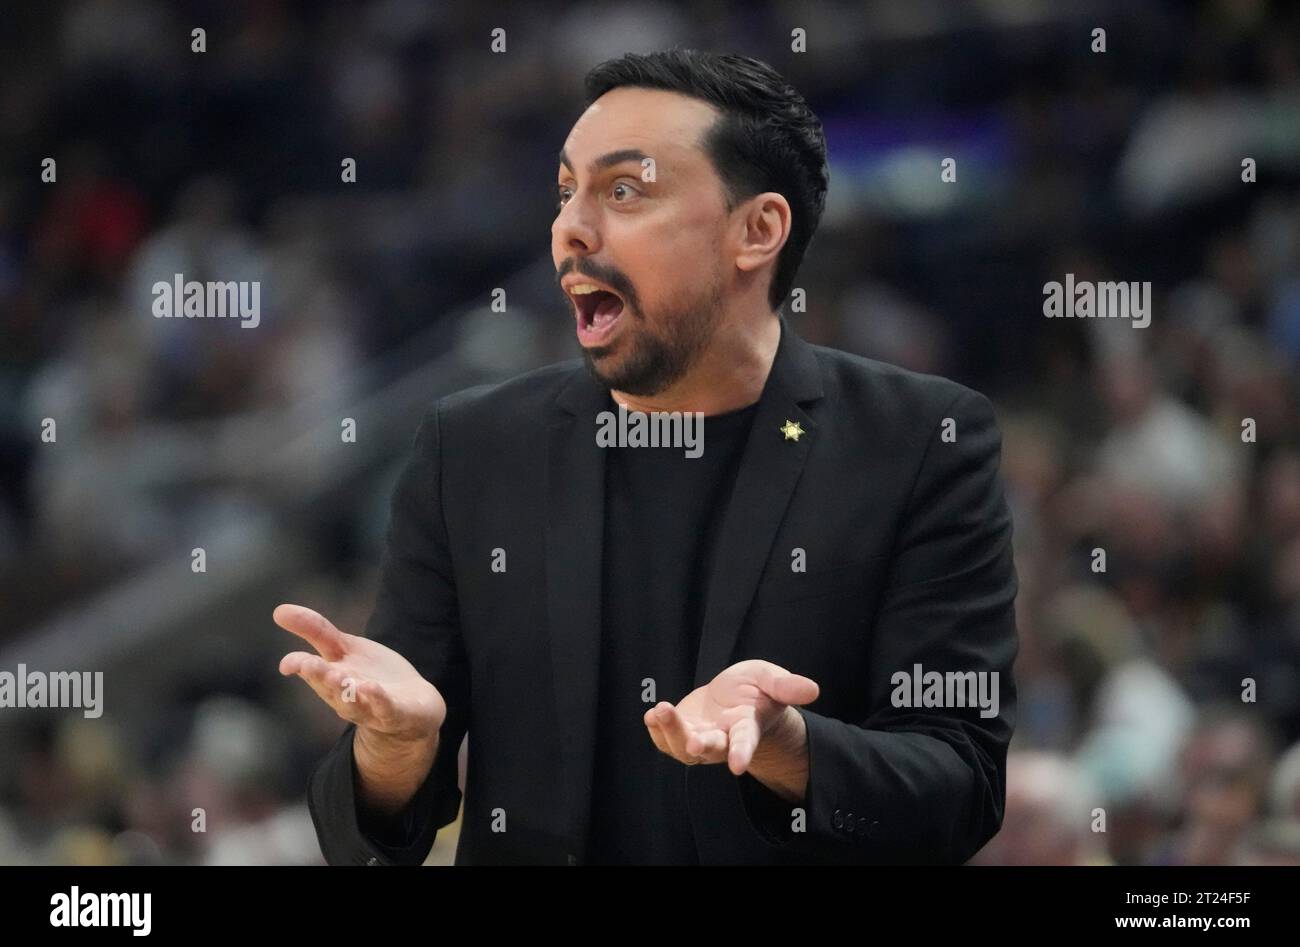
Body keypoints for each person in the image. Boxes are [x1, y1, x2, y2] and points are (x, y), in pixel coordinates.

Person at [274, 49, 1018, 865]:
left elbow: (962, 785)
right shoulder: (473, 448)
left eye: (624, 190)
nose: (570, 227)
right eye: (566, 192)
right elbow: (366, 837)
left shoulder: (920, 441)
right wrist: (394, 748)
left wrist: (789, 745)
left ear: (757, 230)